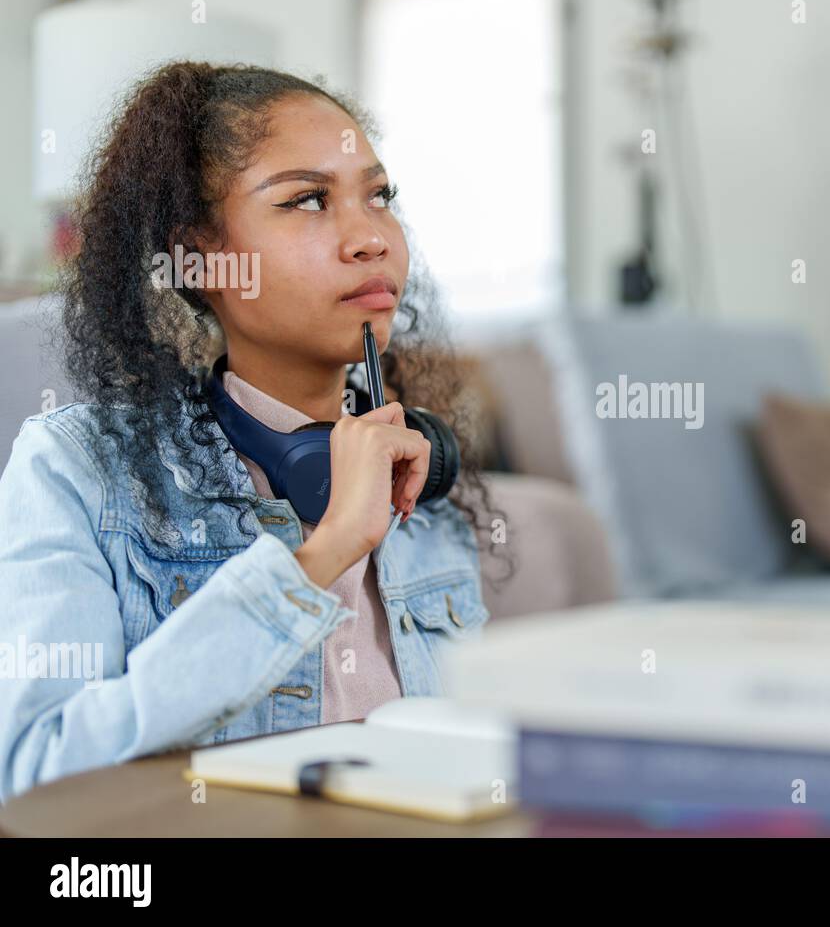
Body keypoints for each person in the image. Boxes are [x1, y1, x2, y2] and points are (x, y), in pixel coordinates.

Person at [0, 62, 498, 802]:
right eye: (307, 200)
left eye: (379, 196)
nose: (370, 238)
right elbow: (33, 774)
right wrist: (319, 558)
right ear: (200, 260)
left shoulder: (420, 481)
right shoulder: (74, 472)